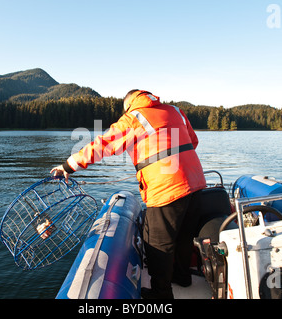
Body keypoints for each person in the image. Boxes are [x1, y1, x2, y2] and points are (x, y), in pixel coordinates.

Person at [50, 89, 207, 299]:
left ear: (129, 104)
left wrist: (68, 166)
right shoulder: (175, 110)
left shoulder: (134, 118)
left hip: (166, 188)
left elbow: (102, 145)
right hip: (196, 182)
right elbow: (193, 141)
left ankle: (162, 295)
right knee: (185, 235)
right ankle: (182, 277)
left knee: (158, 244)